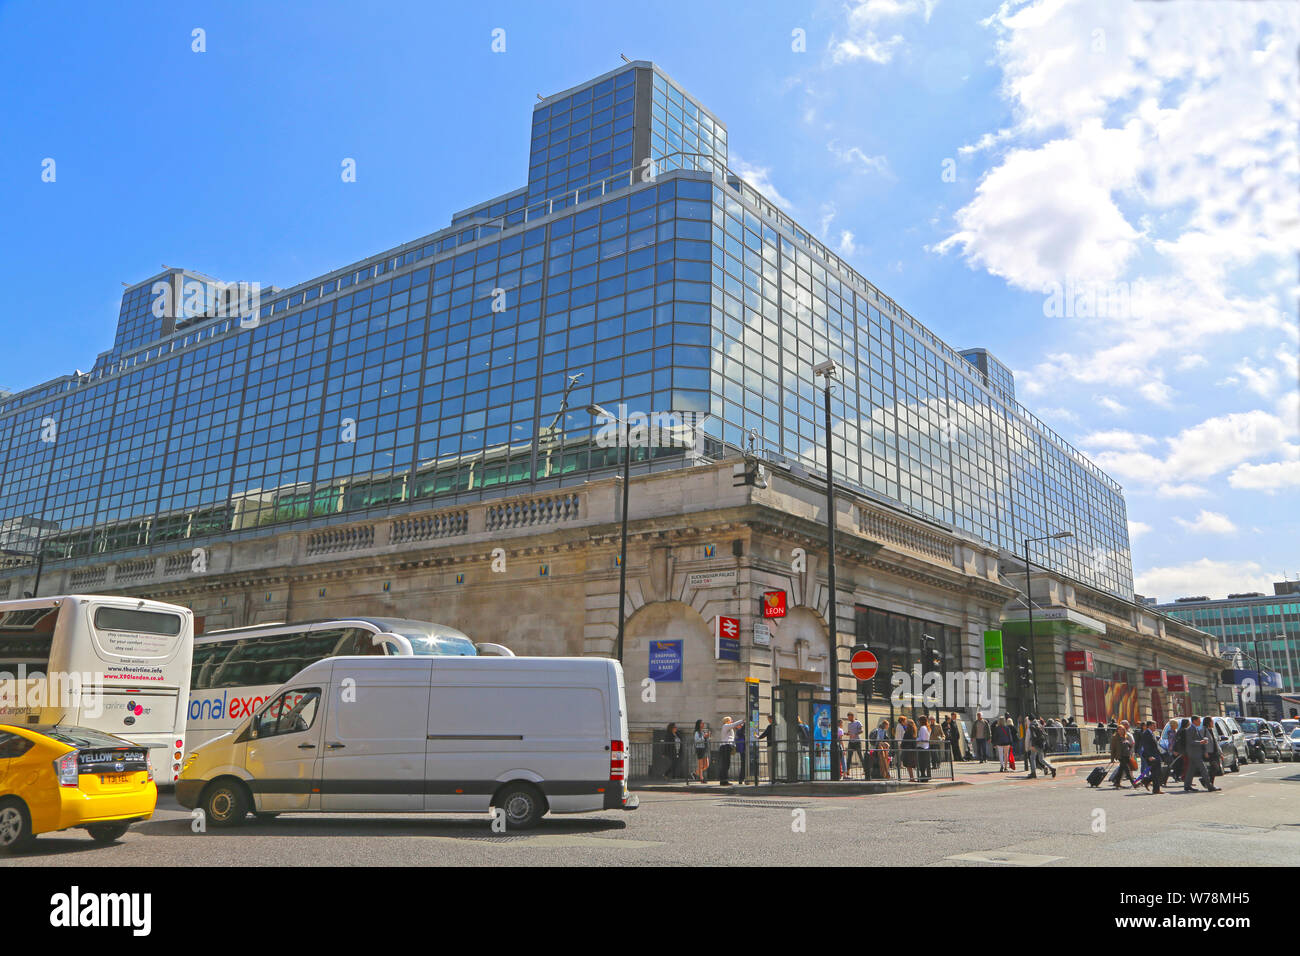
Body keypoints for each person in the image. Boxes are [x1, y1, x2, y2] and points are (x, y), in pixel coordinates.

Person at [1135, 720, 1164, 794]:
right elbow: (1146, 747)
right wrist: (1149, 756)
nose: (1155, 727)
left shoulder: (1151, 733)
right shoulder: (1146, 734)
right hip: (1151, 756)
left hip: (1155, 755)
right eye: (1154, 726)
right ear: (1149, 726)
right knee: (1156, 772)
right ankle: (1155, 789)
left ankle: (1146, 781)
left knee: (1157, 772)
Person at [1109, 720, 1135, 788]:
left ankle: (1117, 782)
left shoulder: (1125, 737)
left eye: (1122, 730)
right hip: (1120, 756)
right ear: (1117, 730)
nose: (1121, 731)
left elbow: (1130, 745)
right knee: (1127, 770)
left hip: (1126, 755)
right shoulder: (1115, 737)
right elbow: (1113, 748)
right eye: (1119, 730)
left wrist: (1129, 746)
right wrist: (1112, 759)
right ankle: (1133, 783)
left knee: (1121, 770)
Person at [717, 715, 741, 786]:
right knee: (725, 764)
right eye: (730, 720)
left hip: (727, 746)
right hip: (725, 746)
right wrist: (742, 720)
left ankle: (724, 780)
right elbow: (733, 725)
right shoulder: (726, 726)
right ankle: (723, 780)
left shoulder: (728, 727)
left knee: (726, 764)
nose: (732, 721)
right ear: (727, 721)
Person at [757, 715, 777, 783]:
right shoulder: (777, 725)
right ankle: (777, 777)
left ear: (771, 719)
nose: (768, 721)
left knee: (770, 763)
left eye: (768, 719)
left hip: (770, 746)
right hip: (777, 746)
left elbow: (764, 734)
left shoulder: (770, 726)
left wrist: (758, 737)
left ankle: (771, 778)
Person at [845, 712, 865, 778]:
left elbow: (862, 730)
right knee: (849, 757)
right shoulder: (849, 724)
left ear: (852, 716)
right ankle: (847, 771)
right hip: (851, 742)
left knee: (860, 756)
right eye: (848, 717)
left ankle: (865, 770)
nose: (848, 718)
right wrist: (846, 734)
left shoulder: (858, 722)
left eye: (849, 717)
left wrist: (855, 734)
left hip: (857, 742)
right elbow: (849, 732)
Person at [693, 719, 711, 785]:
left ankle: (695, 773)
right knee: (700, 764)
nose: (703, 724)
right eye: (701, 723)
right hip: (700, 748)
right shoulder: (697, 732)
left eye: (703, 723)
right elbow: (697, 740)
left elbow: (705, 739)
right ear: (698, 725)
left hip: (704, 748)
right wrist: (704, 736)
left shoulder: (702, 731)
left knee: (706, 765)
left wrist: (708, 737)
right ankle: (701, 778)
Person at [902, 718, 918, 782]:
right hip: (912, 749)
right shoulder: (914, 731)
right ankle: (912, 777)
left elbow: (904, 740)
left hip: (907, 749)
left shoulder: (908, 731)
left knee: (909, 765)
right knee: (910, 764)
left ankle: (912, 778)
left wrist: (902, 746)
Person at [916, 715, 932, 781]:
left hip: (921, 746)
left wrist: (916, 740)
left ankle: (923, 776)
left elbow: (922, 738)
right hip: (926, 746)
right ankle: (924, 775)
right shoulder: (927, 727)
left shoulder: (922, 728)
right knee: (924, 762)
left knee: (921, 762)